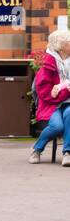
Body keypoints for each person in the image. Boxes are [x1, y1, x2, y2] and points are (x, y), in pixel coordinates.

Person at [30, 29, 70, 165]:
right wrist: (64, 92)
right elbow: (45, 92)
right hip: (52, 104)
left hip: (68, 103)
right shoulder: (49, 63)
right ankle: (37, 149)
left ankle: (67, 153)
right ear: (62, 46)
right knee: (57, 127)